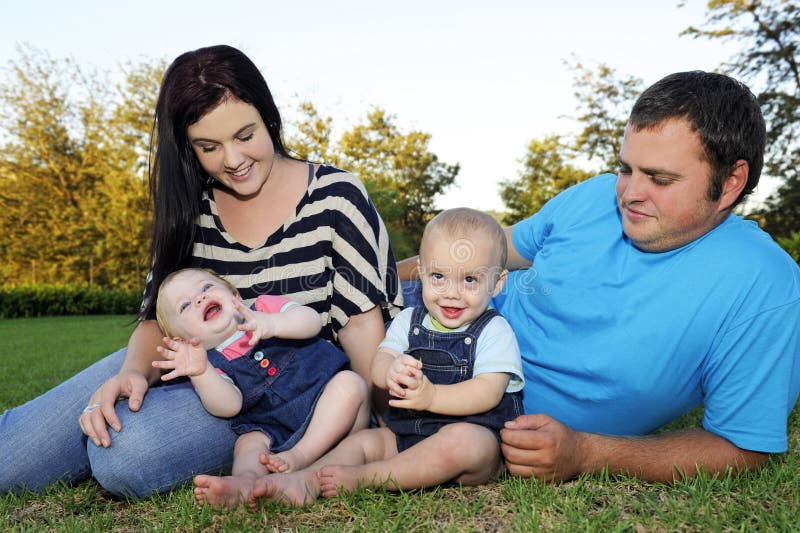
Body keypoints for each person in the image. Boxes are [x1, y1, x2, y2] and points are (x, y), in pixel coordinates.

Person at [0, 44, 401, 498]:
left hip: (287, 396)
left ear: (269, 117)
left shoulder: (336, 196)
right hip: (196, 368)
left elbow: (363, 323)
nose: (232, 159)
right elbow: (157, 320)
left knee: (126, 456)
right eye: (209, 147)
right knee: (10, 458)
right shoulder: (191, 210)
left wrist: (376, 423)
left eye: (245, 135)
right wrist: (134, 372)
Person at [403, 70, 800, 483]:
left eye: (660, 178)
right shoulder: (594, 196)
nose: (629, 192)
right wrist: (381, 281)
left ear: (731, 181)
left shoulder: (765, 287)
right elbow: (481, 249)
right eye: (626, 169)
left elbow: (743, 447)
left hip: (475, 421)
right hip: (426, 322)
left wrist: (587, 452)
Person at [241, 207, 524, 507]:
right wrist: (390, 370)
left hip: (476, 443)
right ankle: (306, 480)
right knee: (365, 442)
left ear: (497, 283)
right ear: (422, 272)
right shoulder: (409, 320)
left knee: (465, 442)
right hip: (409, 434)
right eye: (439, 277)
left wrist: (432, 398)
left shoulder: (495, 330)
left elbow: (488, 392)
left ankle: (369, 477)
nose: (452, 293)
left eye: (470, 280)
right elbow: (379, 365)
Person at [153, 268, 369, 506]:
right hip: (272, 426)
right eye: (185, 306)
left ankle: (300, 457)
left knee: (350, 384)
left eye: (206, 288)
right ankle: (246, 482)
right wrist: (203, 373)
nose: (200, 298)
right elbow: (229, 406)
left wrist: (274, 323)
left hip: (330, 404)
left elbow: (312, 321)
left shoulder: (265, 308)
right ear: (182, 341)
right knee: (249, 442)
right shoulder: (210, 364)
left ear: (234, 294)